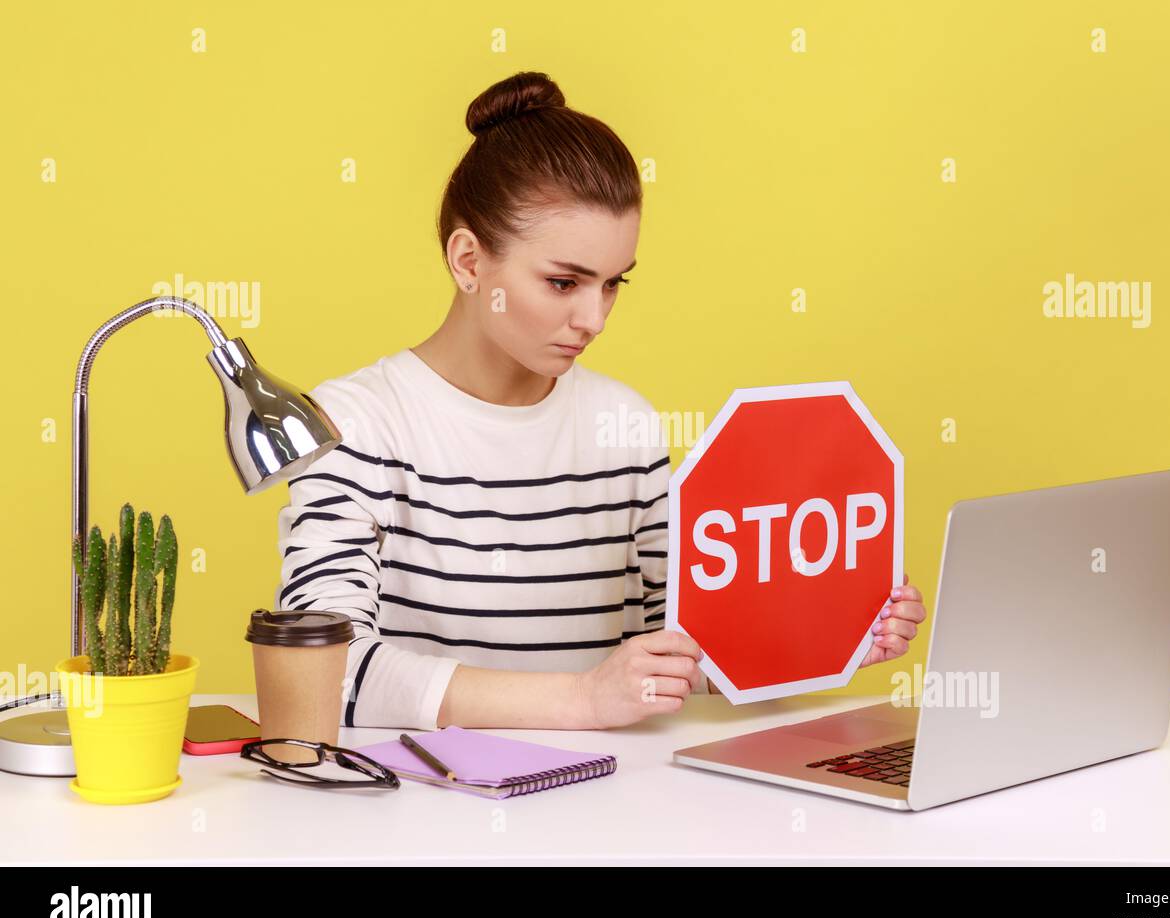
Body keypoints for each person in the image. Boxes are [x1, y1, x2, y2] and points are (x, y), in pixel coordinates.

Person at [273, 71, 927, 732]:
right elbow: (324, 670)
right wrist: (583, 700)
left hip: (606, 803)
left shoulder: (627, 425)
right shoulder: (354, 423)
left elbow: (675, 660)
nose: (594, 318)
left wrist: (822, 638)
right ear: (469, 261)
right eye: (564, 282)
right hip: (424, 810)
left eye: (614, 283)